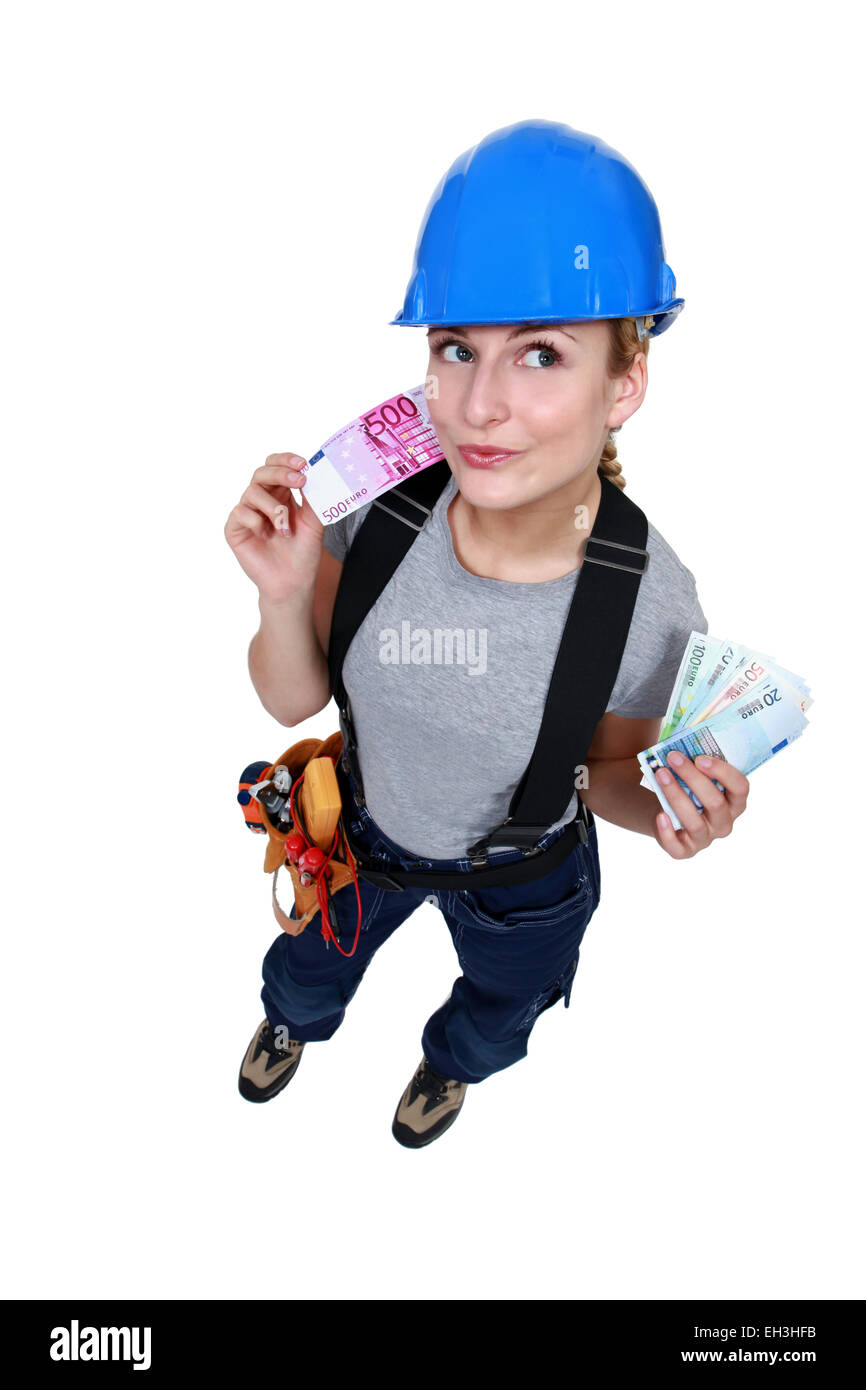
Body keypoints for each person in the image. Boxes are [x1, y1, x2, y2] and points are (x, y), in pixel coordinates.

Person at [224, 120, 750, 1149]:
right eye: (455, 346)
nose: (478, 403)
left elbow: (602, 775)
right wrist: (283, 595)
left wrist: (670, 815)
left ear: (622, 385)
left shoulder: (648, 599)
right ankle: (295, 1021)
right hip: (363, 835)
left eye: (540, 353)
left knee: (502, 1001)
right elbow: (294, 697)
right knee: (306, 960)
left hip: (525, 876)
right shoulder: (373, 509)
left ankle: (450, 1061)